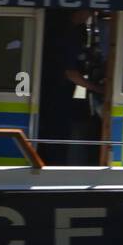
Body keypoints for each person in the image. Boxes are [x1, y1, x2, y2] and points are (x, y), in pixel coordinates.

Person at [39, 9, 104, 165]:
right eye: (90, 11)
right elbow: (70, 73)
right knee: (56, 135)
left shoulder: (75, 31)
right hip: (54, 94)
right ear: (79, 11)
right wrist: (98, 89)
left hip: (61, 93)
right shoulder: (64, 35)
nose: (91, 15)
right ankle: (53, 169)